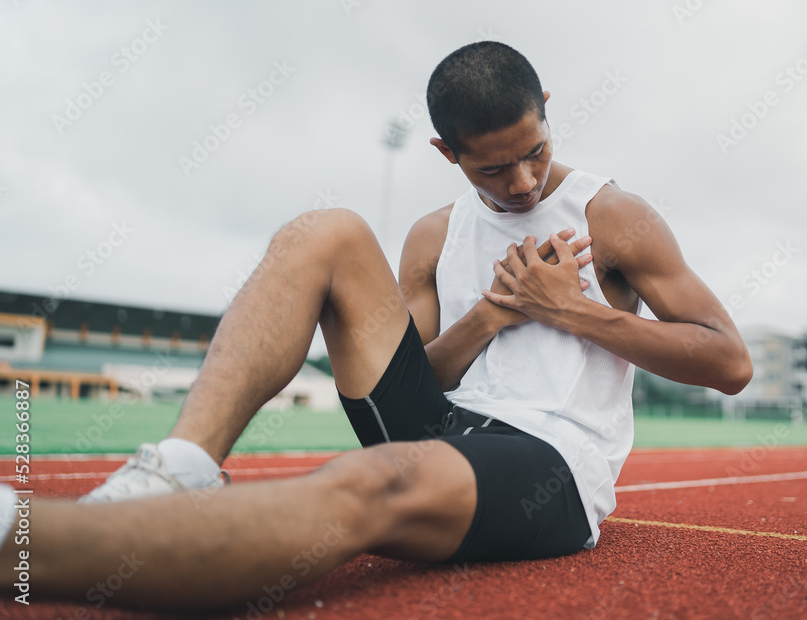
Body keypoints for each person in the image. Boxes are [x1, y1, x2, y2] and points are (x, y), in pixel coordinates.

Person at [0, 41, 751, 610]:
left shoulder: (612, 215)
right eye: (491, 169)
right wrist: (492, 312)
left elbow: (729, 362)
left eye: (534, 152)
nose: (520, 183)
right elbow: (428, 376)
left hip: (549, 464)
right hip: (443, 420)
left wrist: (570, 309)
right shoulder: (433, 235)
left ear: (547, 109)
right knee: (324, 230)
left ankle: (20, 545)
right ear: (444, 152)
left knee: (361, 483)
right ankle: (179, 464)